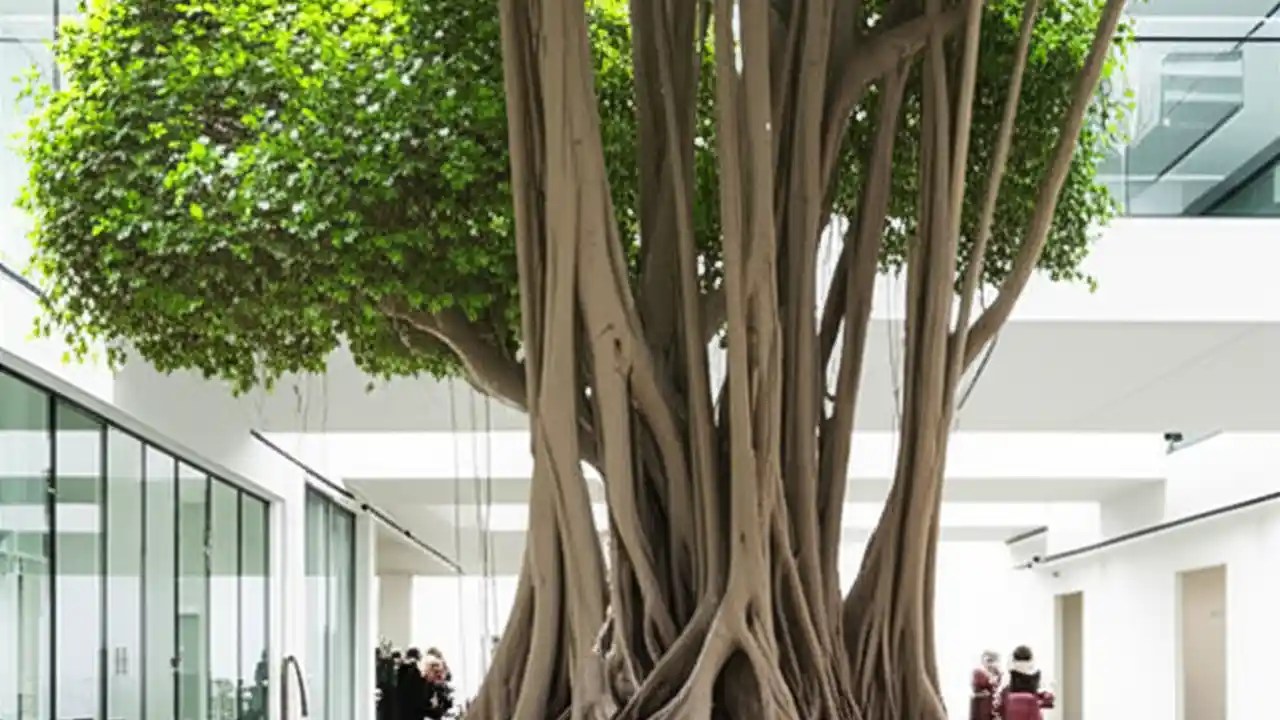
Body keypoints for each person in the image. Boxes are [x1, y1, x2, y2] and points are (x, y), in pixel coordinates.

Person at [996, 646, 1054, 720]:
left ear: (1014, 659)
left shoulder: (1009, 675)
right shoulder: (1038, 675)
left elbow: (1000, 694)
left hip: (1014, 710)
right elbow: (1047, 695)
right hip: (1031, 710)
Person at [396, 648, 428, 720]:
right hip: (415, 710)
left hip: (402, 709)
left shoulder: (400, 670)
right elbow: (421, 693)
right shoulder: (416, 672)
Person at [970, 650, 1001, 720]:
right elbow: (976, 689)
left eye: (993, 661)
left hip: (993, 709)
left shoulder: (998, 674)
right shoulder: (978, 673)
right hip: (981, 708)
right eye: (989, 661)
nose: (991, 664)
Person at [421, 655, 454, 720]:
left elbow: (447, 703)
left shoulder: (438, 688)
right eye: (435, 672)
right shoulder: (424, 688)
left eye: (441, 672)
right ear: (428, 672)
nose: (439, 675)